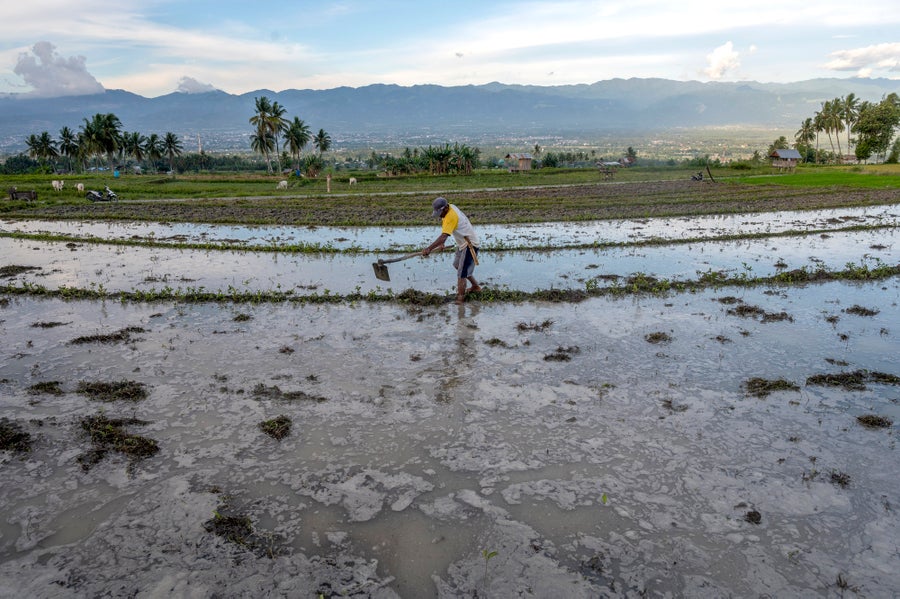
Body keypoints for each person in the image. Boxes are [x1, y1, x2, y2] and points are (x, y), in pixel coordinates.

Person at [421, 196, 481, 304]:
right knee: (458, 266)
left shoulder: (451, 216)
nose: (440, 216)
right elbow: (446, 231)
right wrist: (442, 243)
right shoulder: (450, 208)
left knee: (461, 273)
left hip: (469, 245)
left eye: (440, 213)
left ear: (444, 209)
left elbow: (444, 236)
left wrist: (429, 249)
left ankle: (460, 299)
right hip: (462, 243)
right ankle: (475, 286)